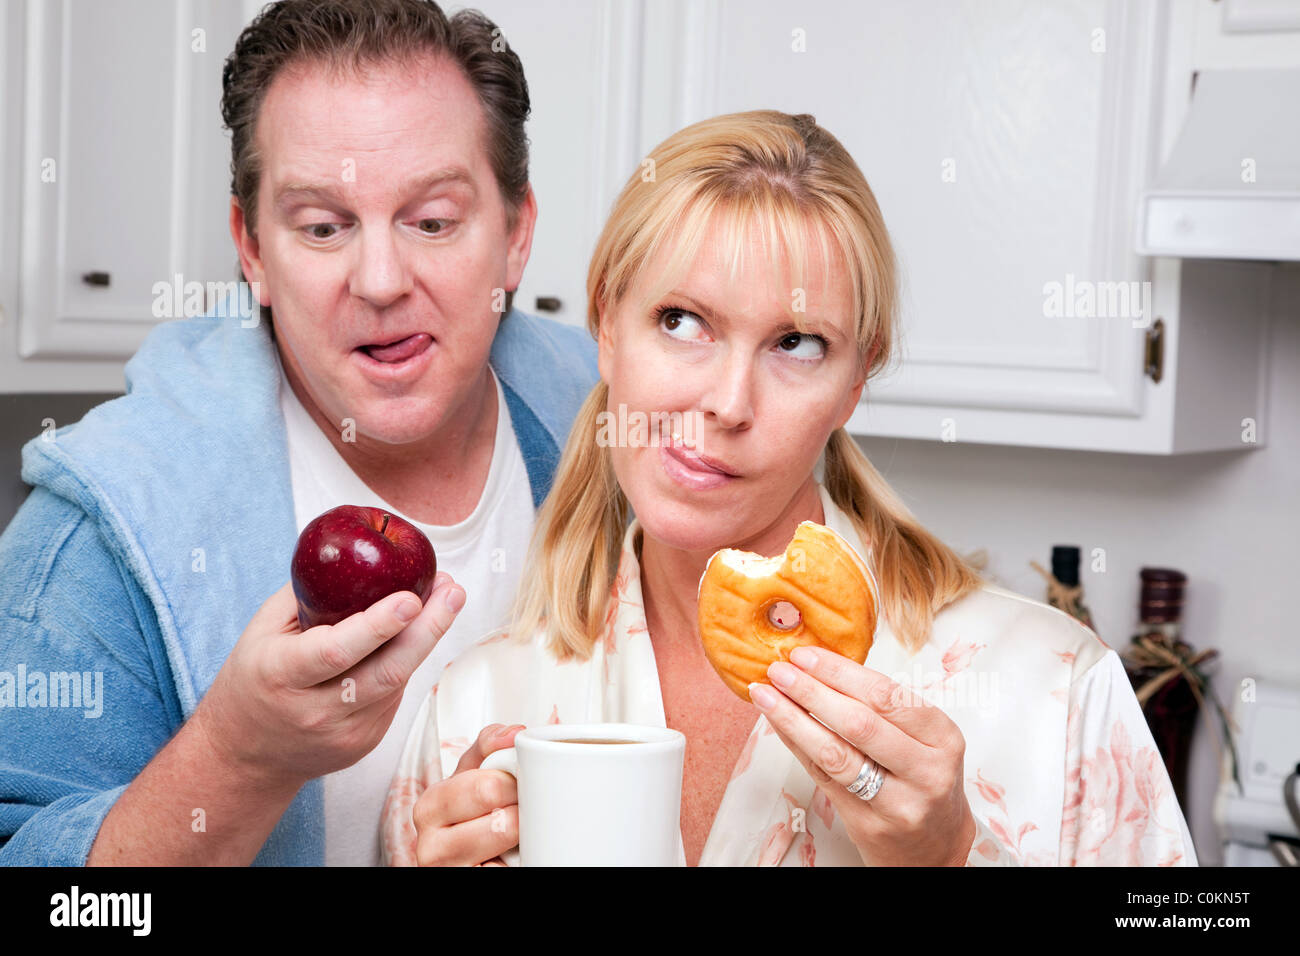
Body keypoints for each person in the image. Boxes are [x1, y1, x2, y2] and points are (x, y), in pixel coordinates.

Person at [380, 110, 1199, 867]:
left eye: (797, 343)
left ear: (854, 383)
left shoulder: (1051, 691)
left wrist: (951, 859)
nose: (727, 404)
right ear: (605, 323)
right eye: (681, 320)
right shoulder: (477, 707)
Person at [0, 0, 596, 866]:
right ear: (251, 249)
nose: (382, 280)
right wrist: (240, 759)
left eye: (432, 220)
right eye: (323, 227)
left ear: (515, 234)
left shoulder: (617, 440)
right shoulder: (95, 531)